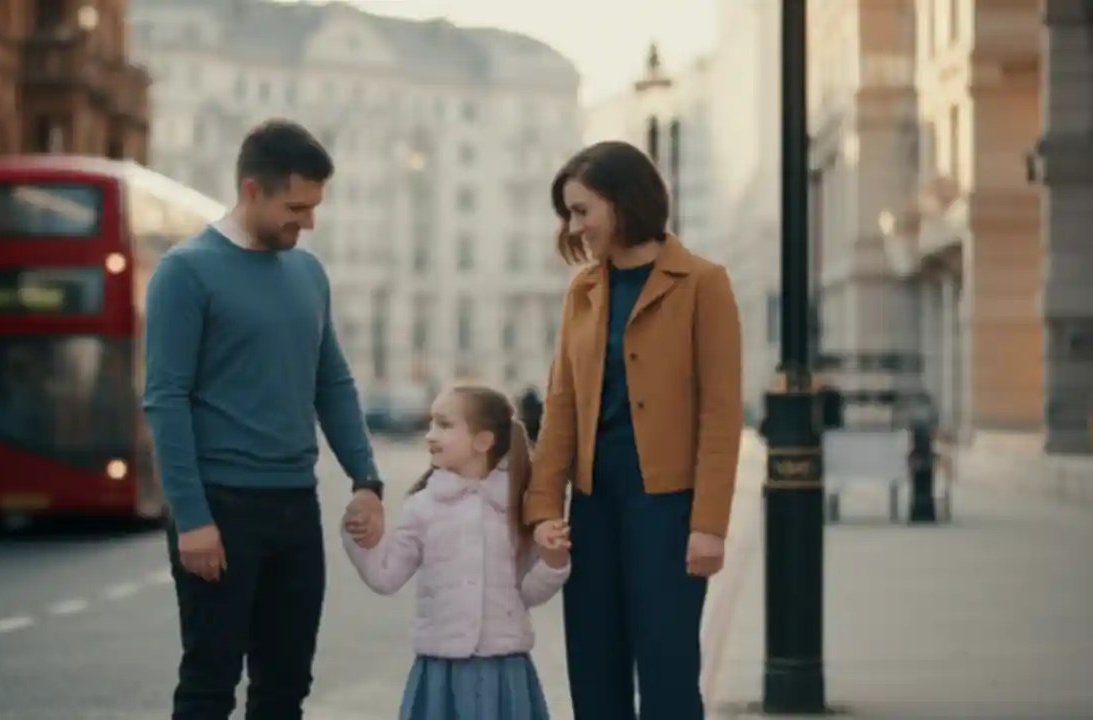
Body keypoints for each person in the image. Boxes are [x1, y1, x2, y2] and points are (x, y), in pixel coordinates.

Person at [143, 119, 386, 720]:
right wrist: (192, 517)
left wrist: (367, 480)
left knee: (285, 688)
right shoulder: (186, 272)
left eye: (314, 207)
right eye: (296, 207)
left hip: (295, 507)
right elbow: (166, 398)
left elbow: (331, 382)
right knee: (209, 685)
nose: (308, 223)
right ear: (252, 190)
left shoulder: (308, 273)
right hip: (221, 510)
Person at [525, 140, 743, 719]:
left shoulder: (703, 283)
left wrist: (709, 526)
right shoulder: (583, 291)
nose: (574, 228)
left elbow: (721, 413)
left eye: (581, 211)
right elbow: (561, 406)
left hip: (667, 510)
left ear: (622, 203)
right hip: (592, 508)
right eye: (568, 214)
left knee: (668, 676)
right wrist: (544, 507)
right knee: (594, 673)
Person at [342, 383, 571, 720]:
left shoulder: (516, 506)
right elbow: (385, 577)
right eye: (432, 424)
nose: (430, 435)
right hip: (441, 673)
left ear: (483, 441)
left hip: (504, 673)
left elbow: (529, 592)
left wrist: (553, 560)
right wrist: (360, 538)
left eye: (445, 425)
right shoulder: (421, 508)